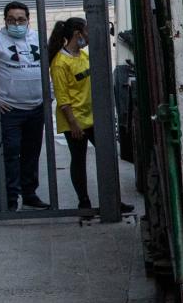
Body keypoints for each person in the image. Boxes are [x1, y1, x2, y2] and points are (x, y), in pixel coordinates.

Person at [48, 17, 131, 217]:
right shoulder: (60, 63)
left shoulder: (84, 56)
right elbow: (63, 98)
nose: (90, 36)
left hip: (93, 118)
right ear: (78, 34)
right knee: (79, 160)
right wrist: (74, 124)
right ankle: (83, 202)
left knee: (107, 158)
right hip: (74, 121)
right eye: (87, 31)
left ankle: (112, 201)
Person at [0, 1, 49, 211]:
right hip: (11, 110)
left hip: (36, 108)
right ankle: (11, 199)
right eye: (11, 20)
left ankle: (30, 194)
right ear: (5, 21)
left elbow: (49, 66)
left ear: (28, 20)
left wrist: (49, 94)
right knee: (11, 154)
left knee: (32, 153)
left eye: (21, 19)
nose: (16, 23)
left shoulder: (38, 38)